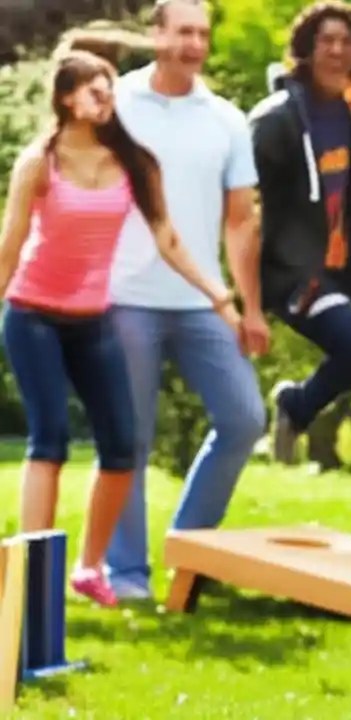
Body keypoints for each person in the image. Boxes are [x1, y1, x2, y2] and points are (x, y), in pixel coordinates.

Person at [0, 50, 241, 607]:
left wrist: (219, 297)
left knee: (120, 446)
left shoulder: (135, 162)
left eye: (109, 88)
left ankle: (89, 568)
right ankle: (32, 573)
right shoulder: (40, 163)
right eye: (95, 90)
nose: (107, 98)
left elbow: (169, 240)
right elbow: (11, 247)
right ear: (66, 98)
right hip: (33, 314)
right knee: (51, 439)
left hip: (92, 319)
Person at [102, 0, 268, 601]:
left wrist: (248, 307)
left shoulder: (226, 119)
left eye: (203, 33)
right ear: (157, 35)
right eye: (184, 31)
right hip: (124, 297)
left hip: (203, 301)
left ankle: (189, 550)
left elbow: (241, 221)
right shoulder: (115, 102)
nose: (195, 43)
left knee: (245, 417)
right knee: (130, 436)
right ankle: (126, 575)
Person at [249, 1, 351, 456]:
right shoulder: (274, 120)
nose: (337, 51)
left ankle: (296, 407)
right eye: (326, 41)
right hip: (292, 272)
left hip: (341, 267)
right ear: (306, 50)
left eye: (347, 42)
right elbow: (245, 211)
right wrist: (249, 298)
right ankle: (295, 404)